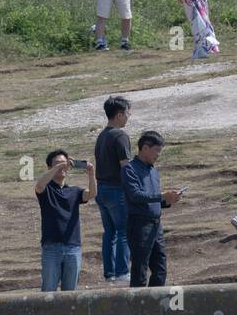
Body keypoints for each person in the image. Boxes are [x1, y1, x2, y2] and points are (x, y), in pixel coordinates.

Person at [121, 130, 182, 288]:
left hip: (156, 224)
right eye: (156, 150)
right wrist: (162, 196)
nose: (158, 155)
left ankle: (154, 305)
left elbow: (154, 200)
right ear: (145, 148)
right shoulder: (129, 169)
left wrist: (168, 200)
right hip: (139, 225)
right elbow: (136, 196)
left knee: (160, 269)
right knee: (140, 270)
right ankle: (138, 308)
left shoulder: (153, 171)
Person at [35, 149, 95, 292]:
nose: (62, 166)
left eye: (64, 163)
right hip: (51, 248)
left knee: (70, 294)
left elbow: (92, 194)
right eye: (57, 163)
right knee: (48, 291)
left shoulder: (74, 191)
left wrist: (92, 174)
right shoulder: (47, 190)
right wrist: (57, 167)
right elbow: (39, 186)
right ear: (50, 168)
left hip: (73, 247)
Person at [94, 96, 133, 285]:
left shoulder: (102, 135)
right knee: (124, 231)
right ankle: (122, 272)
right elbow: (125, 166)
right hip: (117, 190)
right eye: (127, 113)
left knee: (109, 232)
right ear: (119, 114)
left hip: (101, 189)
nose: (128, 116)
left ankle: (109, 274)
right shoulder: (120, 135)